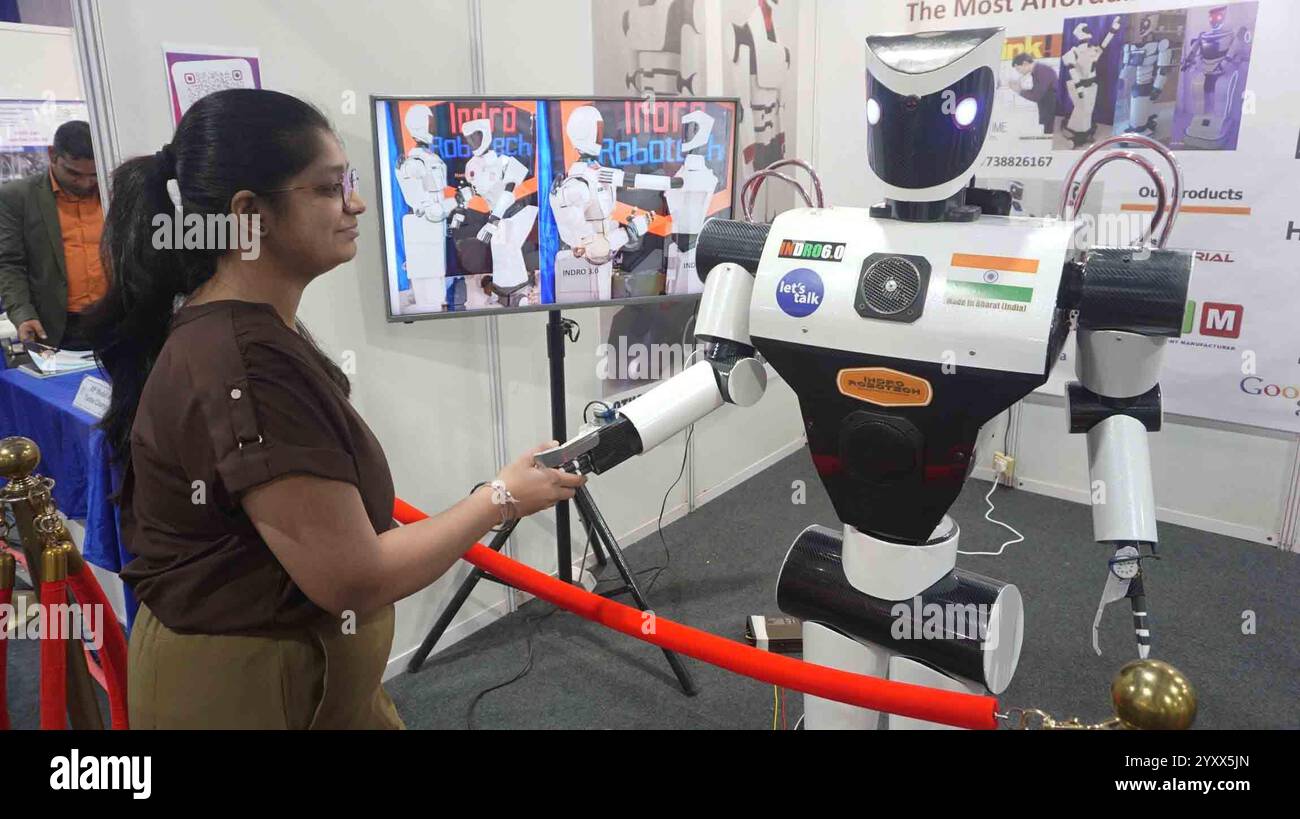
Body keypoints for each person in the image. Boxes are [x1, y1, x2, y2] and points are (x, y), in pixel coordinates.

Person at [86, 88, 584, 729]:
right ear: (250, 213)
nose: (356, 202)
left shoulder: (247, 330)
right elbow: (353, 577)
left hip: (308, 677)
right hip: (254, 694)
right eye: (326, 189)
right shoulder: (246, 359)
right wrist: (502, 496)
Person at [0, 120, 106, 349]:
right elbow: (9, 263)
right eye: (74, 173)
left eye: (94, 174)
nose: (86, 183)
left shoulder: (113, 192)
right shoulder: (17, 197)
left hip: (115, 319)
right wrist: (22, 313)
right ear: (52, 155)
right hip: (57, 326)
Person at [1011, 52, 1059, 135]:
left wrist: (1019, 90)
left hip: (1053, 112)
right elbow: (1036, 92)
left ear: (1025, 64)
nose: (1019, 72)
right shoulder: (1038, 71)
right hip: (1050, 111)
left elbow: (1036, 96)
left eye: (1018, 69)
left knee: (1049, 135)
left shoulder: (1042, 71)